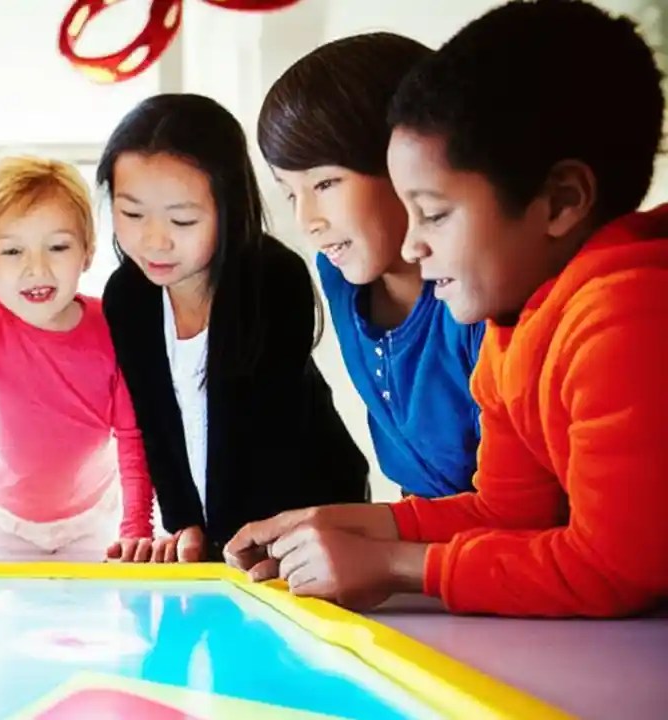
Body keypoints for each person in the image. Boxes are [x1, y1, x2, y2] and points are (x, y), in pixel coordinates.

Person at [227, 0, 668, 618]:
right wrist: (343, 524)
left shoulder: (628, 314)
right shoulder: (513, 323)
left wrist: (394, 566)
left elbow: (614, 568)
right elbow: (507, 513)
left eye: (433, 213)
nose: (412, 243)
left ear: (562, 201)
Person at [98, 93, 371, 563]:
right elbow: (156, 425)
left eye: (182, 219)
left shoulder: (274, 279)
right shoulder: (128, 295)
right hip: (216, 535)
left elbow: (265, 430)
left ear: (229, 207)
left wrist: (224, 537)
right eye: (132, 214)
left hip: (308, 511)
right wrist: (184, 523)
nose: (154, 240)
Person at [258, 32, 483, 499]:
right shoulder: (338, 276)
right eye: (289, 192)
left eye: (325, 184)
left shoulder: (480, 293)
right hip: (420, 534)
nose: (307, 221)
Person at [0, 156, 155, 563]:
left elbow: (132, 433)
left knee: (89, 623)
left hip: (92, 520)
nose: (37, 268)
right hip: (2, 520)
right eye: (13, 251)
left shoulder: (112, 323)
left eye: (57, 247)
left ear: (87, 253)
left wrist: (137, 528)